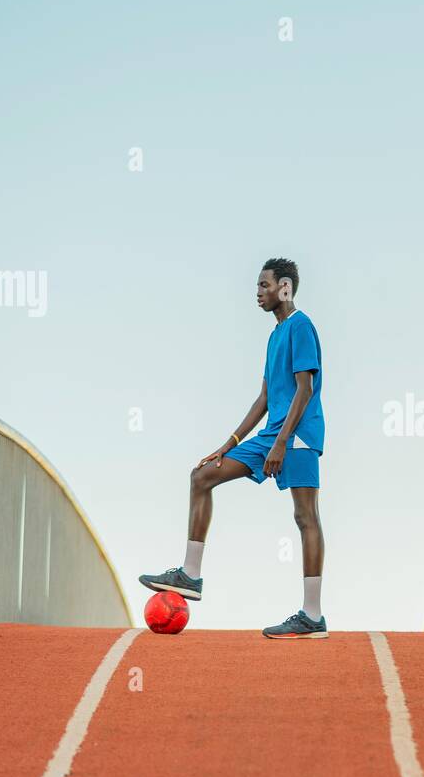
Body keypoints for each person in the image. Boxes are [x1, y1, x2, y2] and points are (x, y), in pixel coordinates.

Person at [138, 257, 327, 638]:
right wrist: (228, 444)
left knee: (305, 516)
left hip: (298, 436)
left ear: (285, 288)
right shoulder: (274, 336)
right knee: (202, 476)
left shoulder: (301, 326)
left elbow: (304, 389)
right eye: (257, 285)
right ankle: (190, 575)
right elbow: (264, 398)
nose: (258, 292)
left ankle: (312, 616)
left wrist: (281, 443)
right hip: (270, 435)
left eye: (264, 285)